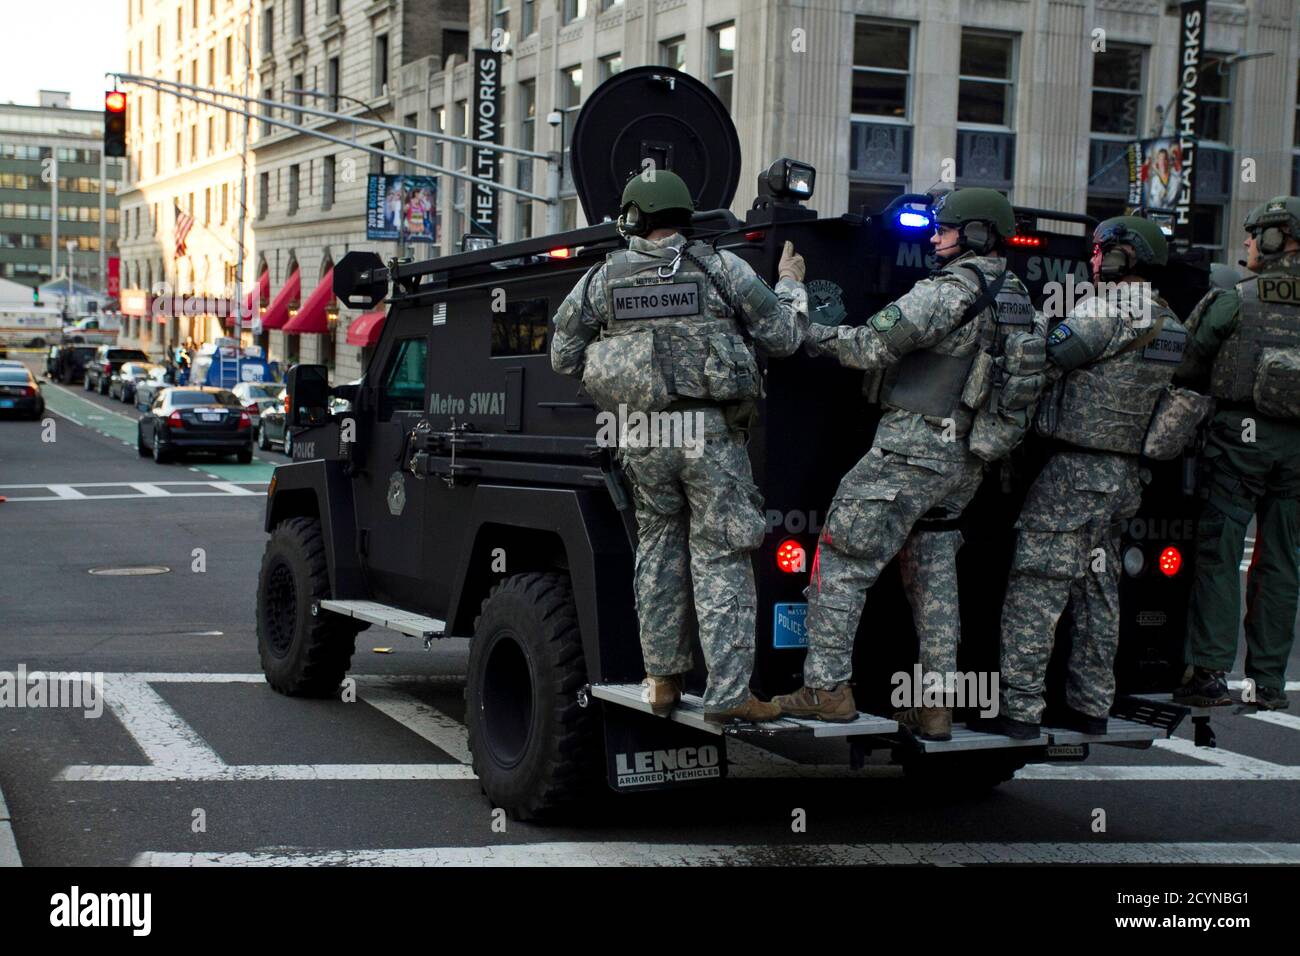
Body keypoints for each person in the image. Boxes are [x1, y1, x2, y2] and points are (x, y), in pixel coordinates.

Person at [773, 187, 1039, 738]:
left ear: (978, 234)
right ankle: (937, 706)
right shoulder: (1017, 298)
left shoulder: (947, 293)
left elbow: (867, 346)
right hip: (966, 460)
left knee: (842, 557)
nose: (934, 238)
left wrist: (795, 300)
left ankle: (828, 690)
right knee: (934, 574)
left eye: (946, 229)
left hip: (912, 451)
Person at [549, 169, 808, 722]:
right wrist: (791, 283)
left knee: (658, 549)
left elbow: (563, 357)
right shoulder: (720, 267)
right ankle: (729, 696)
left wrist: (620, 363)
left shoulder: (601, 278)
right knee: (721, 554)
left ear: (633, 217)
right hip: (707, 436)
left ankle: (663, 681)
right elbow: (784, 336)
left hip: (641, 435)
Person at [983, 216, 1188, 738]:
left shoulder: (1106, 309)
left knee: (1038, 584)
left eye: (1099, 252)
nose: (1094, 261)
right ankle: (1091, 705)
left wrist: (1025, 325)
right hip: (1125, 478)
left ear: (1123, 257)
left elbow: (1044, 359)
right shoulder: (1170, 321)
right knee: (1097, 588)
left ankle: (1020, 710)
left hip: (1076, 473)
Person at [1174, 197, 1300, 711]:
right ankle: (1268, 683)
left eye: (1255, 232)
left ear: (1277, 239)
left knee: (1220, 554)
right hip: (1296, 453)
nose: (1247, 241)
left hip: (1239, 444)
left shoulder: (1236, 299)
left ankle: (1208, 672)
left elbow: (1185, 362)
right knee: (1282, 562)